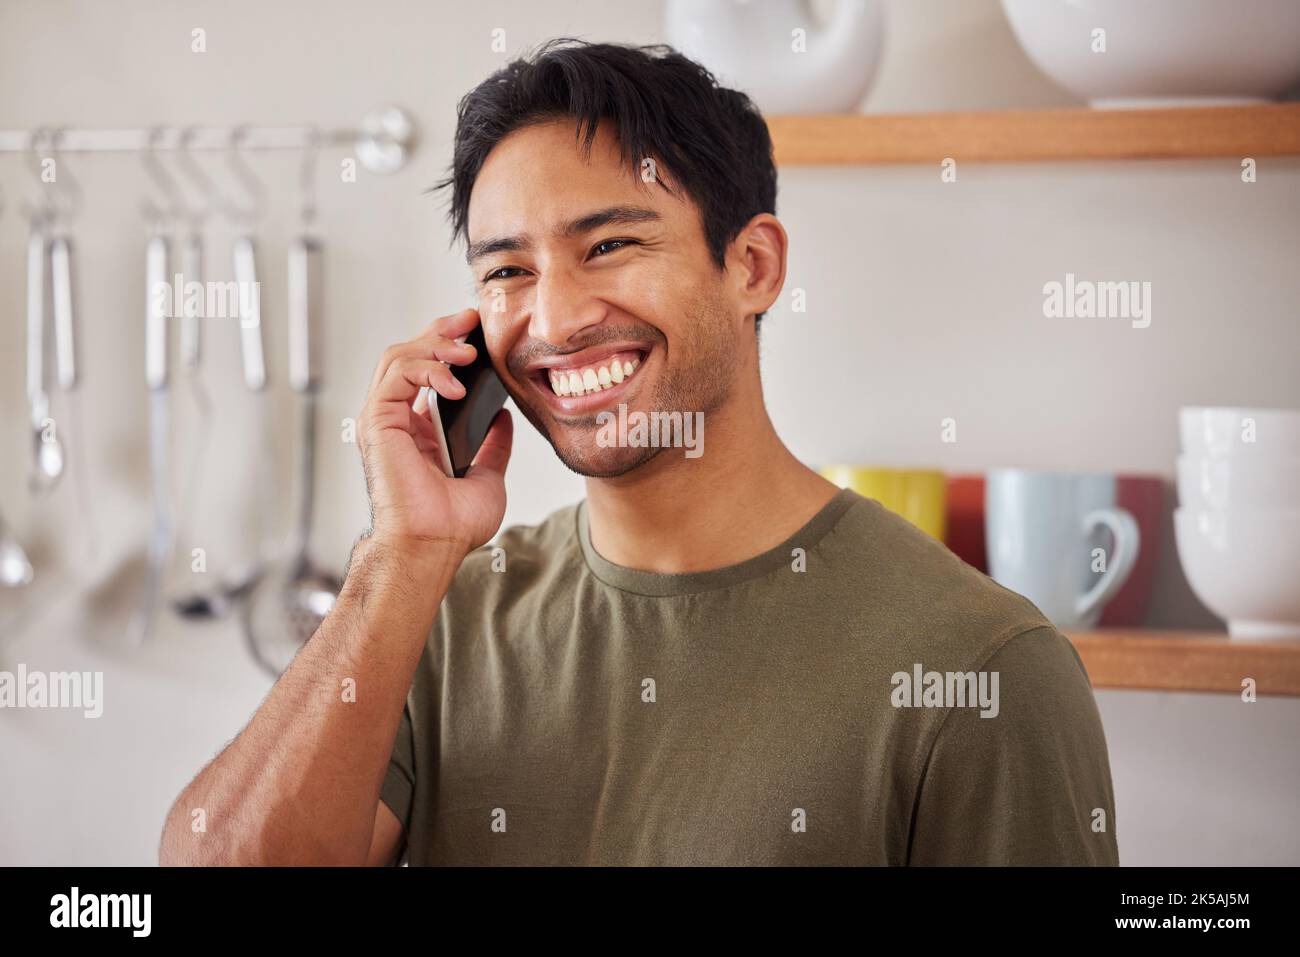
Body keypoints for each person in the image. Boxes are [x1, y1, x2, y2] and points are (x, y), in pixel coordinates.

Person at [159, 39, 1119, 866]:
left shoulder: (986, 668)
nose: (557, 318)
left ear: (752, 266)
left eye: (610, 244)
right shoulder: (433, 618)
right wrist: (401, 552)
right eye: (507, 270)